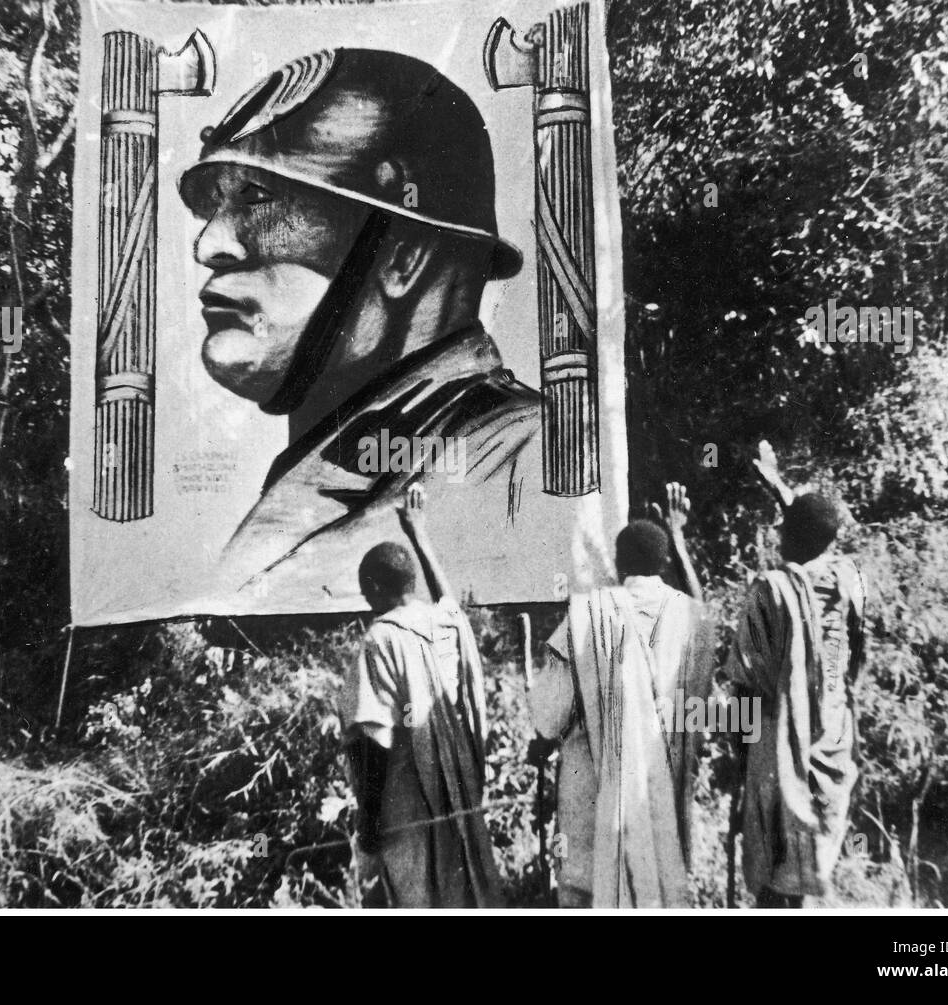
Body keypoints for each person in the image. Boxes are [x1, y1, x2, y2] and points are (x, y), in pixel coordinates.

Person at [179, 47, 579, 606]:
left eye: (256, 199)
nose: (209, 245)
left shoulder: (520, 450)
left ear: (403, 256)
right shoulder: (355, 454)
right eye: (213, 206)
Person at [527, 482, 713, 908]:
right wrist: (678, 535)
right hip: (660, 803)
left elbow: (549, 717)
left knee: (585, 893)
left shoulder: (589, 614)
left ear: (617, 560)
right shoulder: (691, 621)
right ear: (665, 563)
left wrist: (539, 745)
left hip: (590, 803)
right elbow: (698, 613)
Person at [340, 483, 503, 908]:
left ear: (374, 588)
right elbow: (447, 597)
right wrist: (418, 532)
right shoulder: (448, 624)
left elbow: (372, 742)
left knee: (417, 895)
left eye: (366, 591)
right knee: (464, 890)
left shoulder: (380, 640)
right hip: (459, 794)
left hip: (407, 802)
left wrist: (369, 821)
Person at [724, 441, 867, 908]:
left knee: (773, 880)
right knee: (803, 872)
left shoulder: (771, 591)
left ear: (789, 535)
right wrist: (780, 486)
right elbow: (815, 531)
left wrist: (738, 753)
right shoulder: (850, 579)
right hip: (833, 741)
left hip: (779, 746)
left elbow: (744, 679)